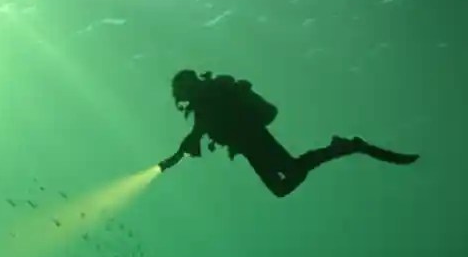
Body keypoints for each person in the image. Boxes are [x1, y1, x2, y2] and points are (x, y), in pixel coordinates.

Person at [158, 69, 418, 197]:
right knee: (282, 188)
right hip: (248, 146)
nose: (179, 94)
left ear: (190, 84)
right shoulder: (204, 104)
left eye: (180, 88)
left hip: (255, 138)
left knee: (290, 174)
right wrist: (174, 159)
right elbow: (195, 135)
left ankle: (344, 147)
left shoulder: (210, 96)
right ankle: (339, 147)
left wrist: (174, 159)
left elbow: (196, 134)